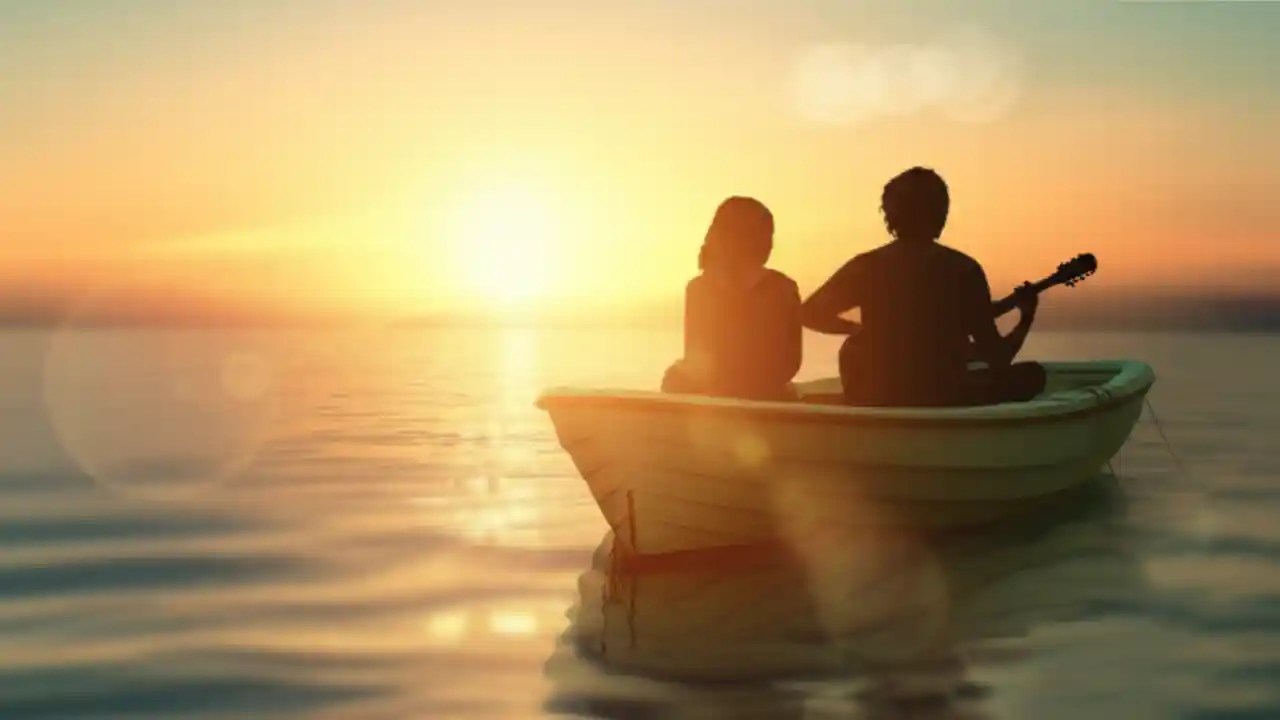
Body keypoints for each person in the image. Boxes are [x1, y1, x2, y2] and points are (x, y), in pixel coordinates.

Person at [800, 167, 1046, 407]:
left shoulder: (865, 267)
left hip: (870, 391)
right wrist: (1026, 317)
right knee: (1033, 375)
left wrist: (859, 331)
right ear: (941, 213)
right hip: (942, 393)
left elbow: (809, 313)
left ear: (889, 214)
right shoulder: (963, 269)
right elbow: (998, 358)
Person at [662, 197, 802, 401]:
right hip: (769, 397)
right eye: (767, 234)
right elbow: (790, 363)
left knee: (673, 377)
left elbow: (696, 359)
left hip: (721, 397)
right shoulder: (785, 287)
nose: (771, 243)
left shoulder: (697, 289)